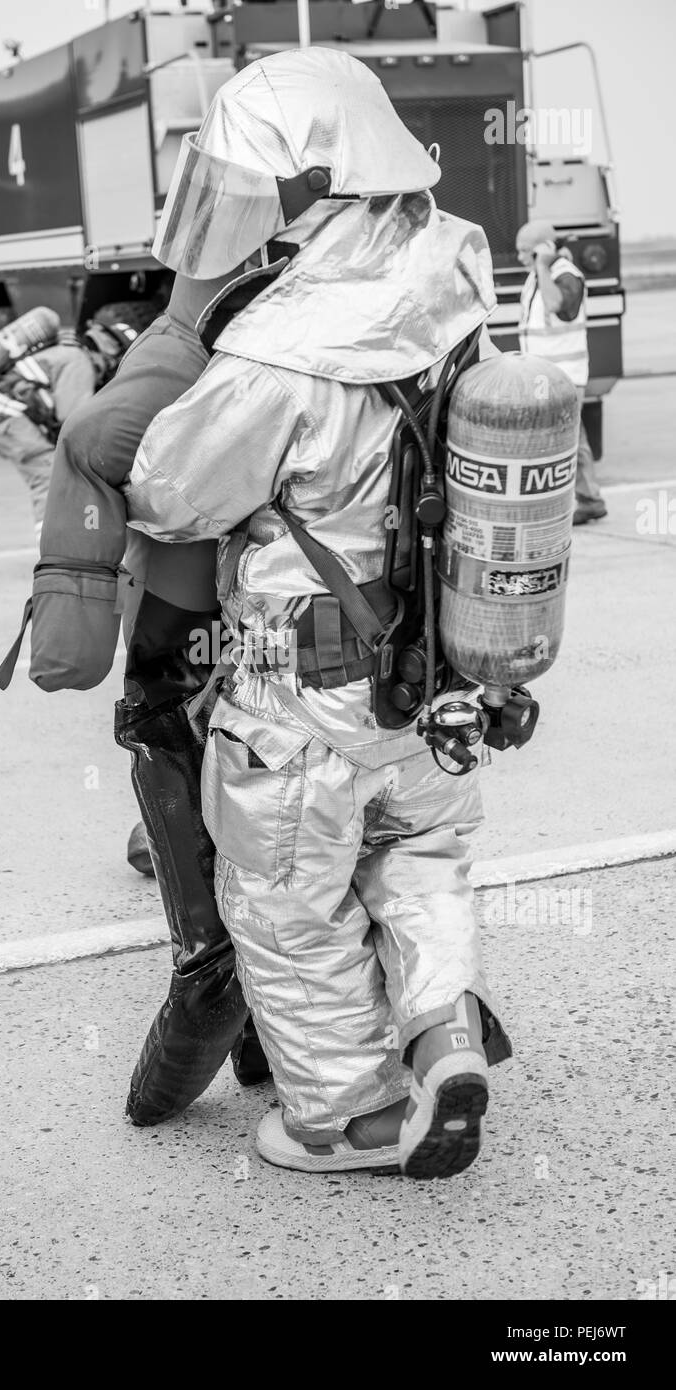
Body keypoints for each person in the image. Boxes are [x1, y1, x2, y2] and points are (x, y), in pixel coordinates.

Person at [124, 47, 512, 1178]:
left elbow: (171, 487)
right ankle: (443, 1032)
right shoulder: (454, 280)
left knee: (287, 903)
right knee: (421, 852)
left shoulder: (281, 347)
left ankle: (349, 1118)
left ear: (300, 186)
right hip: (435, 671)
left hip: (303, 687)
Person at [40, 274, 271, 1125]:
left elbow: (94, 439)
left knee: (163, 722)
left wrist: (71, 594)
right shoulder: (377, 293)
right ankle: (275, 1018)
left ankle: (210, 959)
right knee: (281, 758)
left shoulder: (214, 308)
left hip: (197, 582)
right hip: (343, 593)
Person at [0, 315, 133, 537]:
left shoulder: (68, 353)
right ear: (112, 350)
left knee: (55, 471)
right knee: (46, 473)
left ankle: (66, 539)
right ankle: (49, 547)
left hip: (2, 413)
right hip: (5, 414)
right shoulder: (80, 361)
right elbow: (72, 419)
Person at [516, 219, 606, 526]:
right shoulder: (539, 276)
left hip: (562, 375)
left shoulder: (563, 275)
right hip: (544, 375)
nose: (519, 258)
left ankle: (552, 504)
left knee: (554, 440)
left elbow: (558, 306)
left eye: (525, 251)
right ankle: (591, 499)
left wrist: (542, 264)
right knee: (570, 437)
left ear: (543, 248)